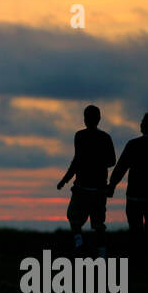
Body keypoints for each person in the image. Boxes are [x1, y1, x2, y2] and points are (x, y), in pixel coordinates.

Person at [56, 105, 115, 257]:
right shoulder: (105, 137)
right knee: (98, 224)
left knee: (73, 216)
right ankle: (102, 253)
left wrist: (65, 180)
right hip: (99, 188)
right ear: (99, 119)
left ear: (85, 119)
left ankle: (79, 242)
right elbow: (112, 161)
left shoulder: (80, 136)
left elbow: (76, 161)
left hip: (82, 187)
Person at [108, 112, 148, 247]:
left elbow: (121, 168)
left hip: (134, 196)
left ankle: (138, 258)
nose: (140, 123)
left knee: (135, 229)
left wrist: (112, 185)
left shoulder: (133, 144)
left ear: (144, 124)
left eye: (142, 121)